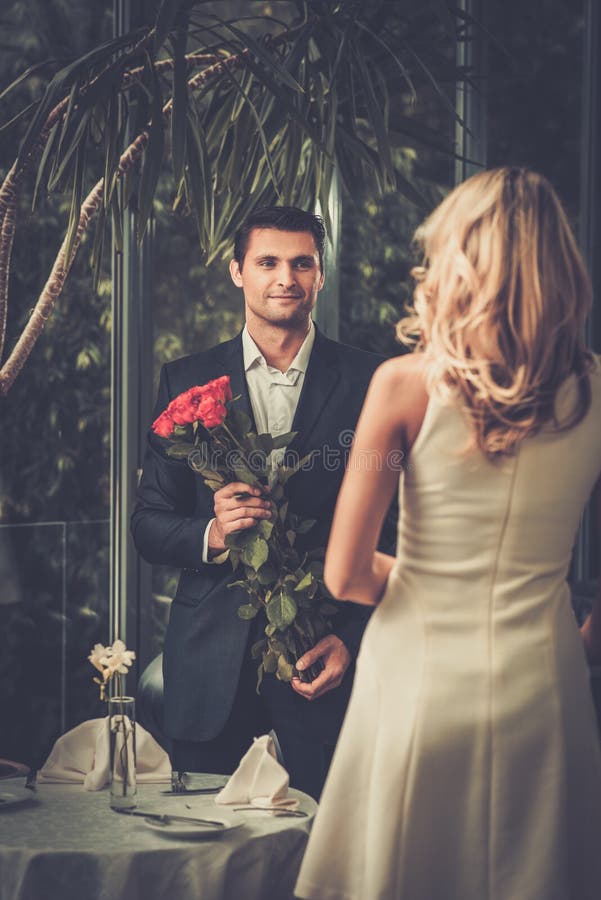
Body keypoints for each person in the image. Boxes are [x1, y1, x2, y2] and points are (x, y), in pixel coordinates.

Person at [295, 167, 601, 899]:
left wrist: (434, 584)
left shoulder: (403, 385)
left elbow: (345, 574)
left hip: (419, 676)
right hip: (545, 681)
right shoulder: (596, 389)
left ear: (455, 260)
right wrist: (580, 640)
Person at [131, 206, 396, 800]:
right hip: (207, 672)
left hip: (323, 664)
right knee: (203, 845)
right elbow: (148, 524)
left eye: (302, 263)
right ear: (237, 272)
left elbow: (398, 533)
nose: (285, 278)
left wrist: (352, 640)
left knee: (322, 845)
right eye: (268, 262)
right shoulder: (184, 380)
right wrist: (212, 533)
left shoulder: (374, 381)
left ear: (320, 275)